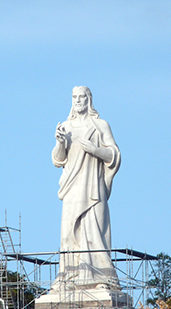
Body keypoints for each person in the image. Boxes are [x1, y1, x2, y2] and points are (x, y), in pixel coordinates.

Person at [51, 86, 121, 290]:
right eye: (74, 97)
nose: (78, 100)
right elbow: (58, 159)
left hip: (93, 187)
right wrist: (60, 142)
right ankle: (68, 278)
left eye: (82, 97)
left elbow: (115, 155)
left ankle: (101, 278)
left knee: (94, 231)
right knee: (68, 233)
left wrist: (96, 150)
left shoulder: (100, 125)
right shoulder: (66, 126)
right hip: (72, 187)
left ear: (89, 99)